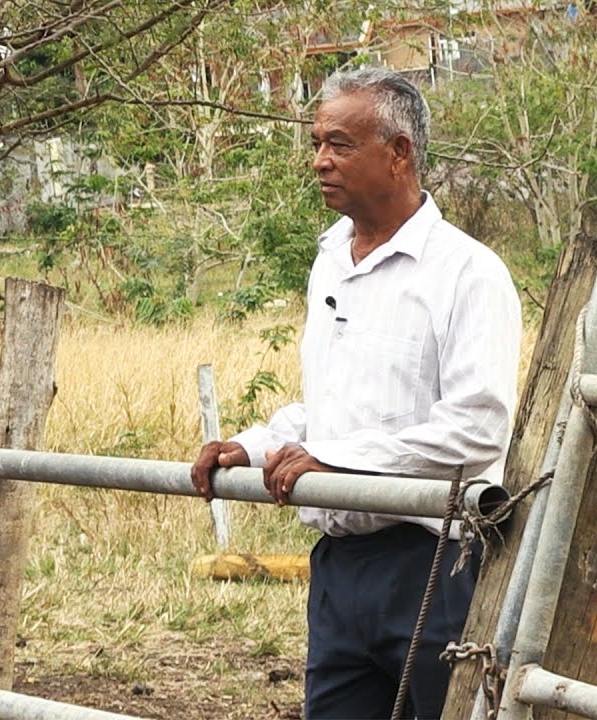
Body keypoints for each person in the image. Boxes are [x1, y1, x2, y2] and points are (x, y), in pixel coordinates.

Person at [190, 67, 521, 719]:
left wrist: (343, 462)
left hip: (432, 566)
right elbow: (334, 411)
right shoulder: (331, 260)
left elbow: (479, 428)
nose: (320, 161)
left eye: (340, 144)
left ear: (398, 153)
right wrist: (253, 448)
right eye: (317, 143)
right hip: (339, 565)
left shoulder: (468, 274)